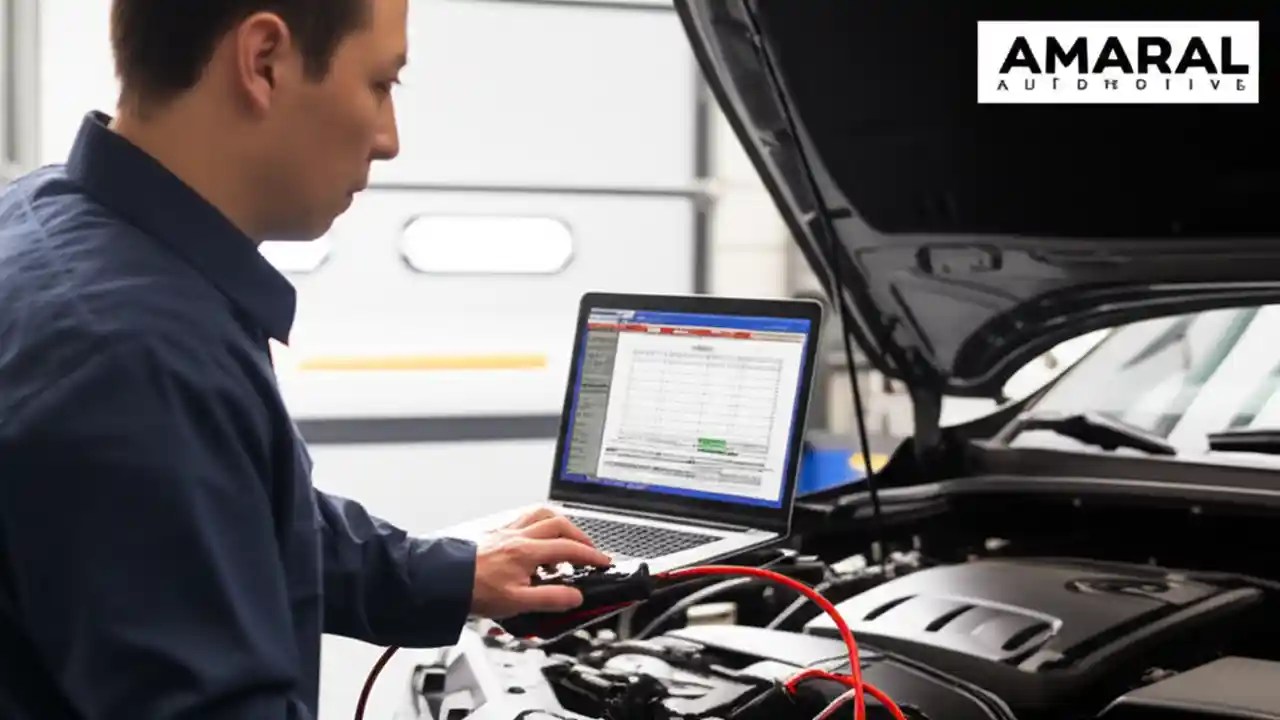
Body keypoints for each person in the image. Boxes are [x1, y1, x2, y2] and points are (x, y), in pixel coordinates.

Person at [0, 1, 612, 718]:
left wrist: (450, 575)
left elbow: (224, 517)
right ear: (264, 61)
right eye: (381, 85)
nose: (388, 140)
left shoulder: (56, 220)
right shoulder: (131, 357)